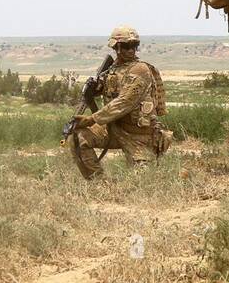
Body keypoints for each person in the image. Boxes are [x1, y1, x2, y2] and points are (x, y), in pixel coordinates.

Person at [71, 26, 170, 178]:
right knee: (78, 138)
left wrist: (92, 119)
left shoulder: (140, 69)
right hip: (113, 129)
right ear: (116, 47)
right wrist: (96, 88)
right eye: (126, 46)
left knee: (144, 182)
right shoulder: (112, 70)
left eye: (134, 46)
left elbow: (125, 101)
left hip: (138, 135)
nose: (131, 50)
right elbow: (108, 91)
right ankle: (100, 183)